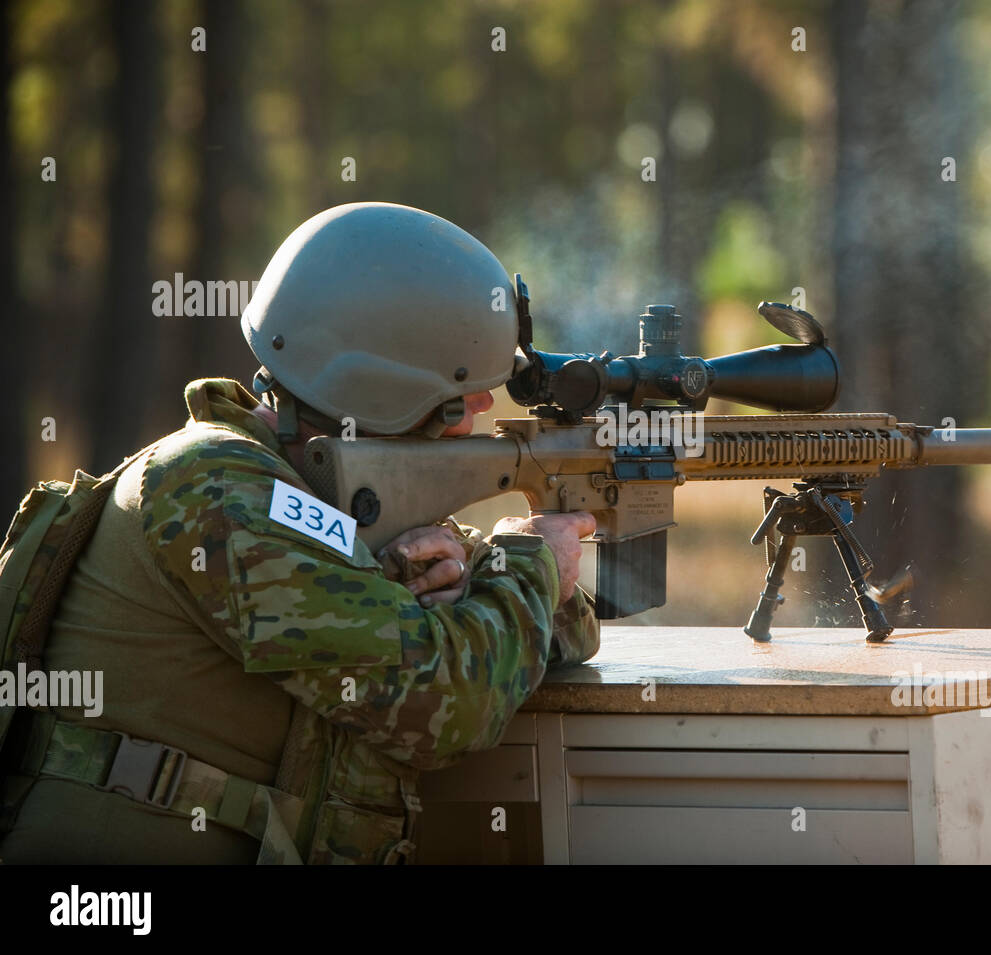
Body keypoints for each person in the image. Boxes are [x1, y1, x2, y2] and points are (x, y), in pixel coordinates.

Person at [0, 202, 598, 864]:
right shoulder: (216, 496)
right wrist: (528, 564)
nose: (486, 408)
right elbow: (445, 706)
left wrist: (487, 579)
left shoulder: (312, 493)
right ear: (380, 390)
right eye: (463, 395)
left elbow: (568, 632)